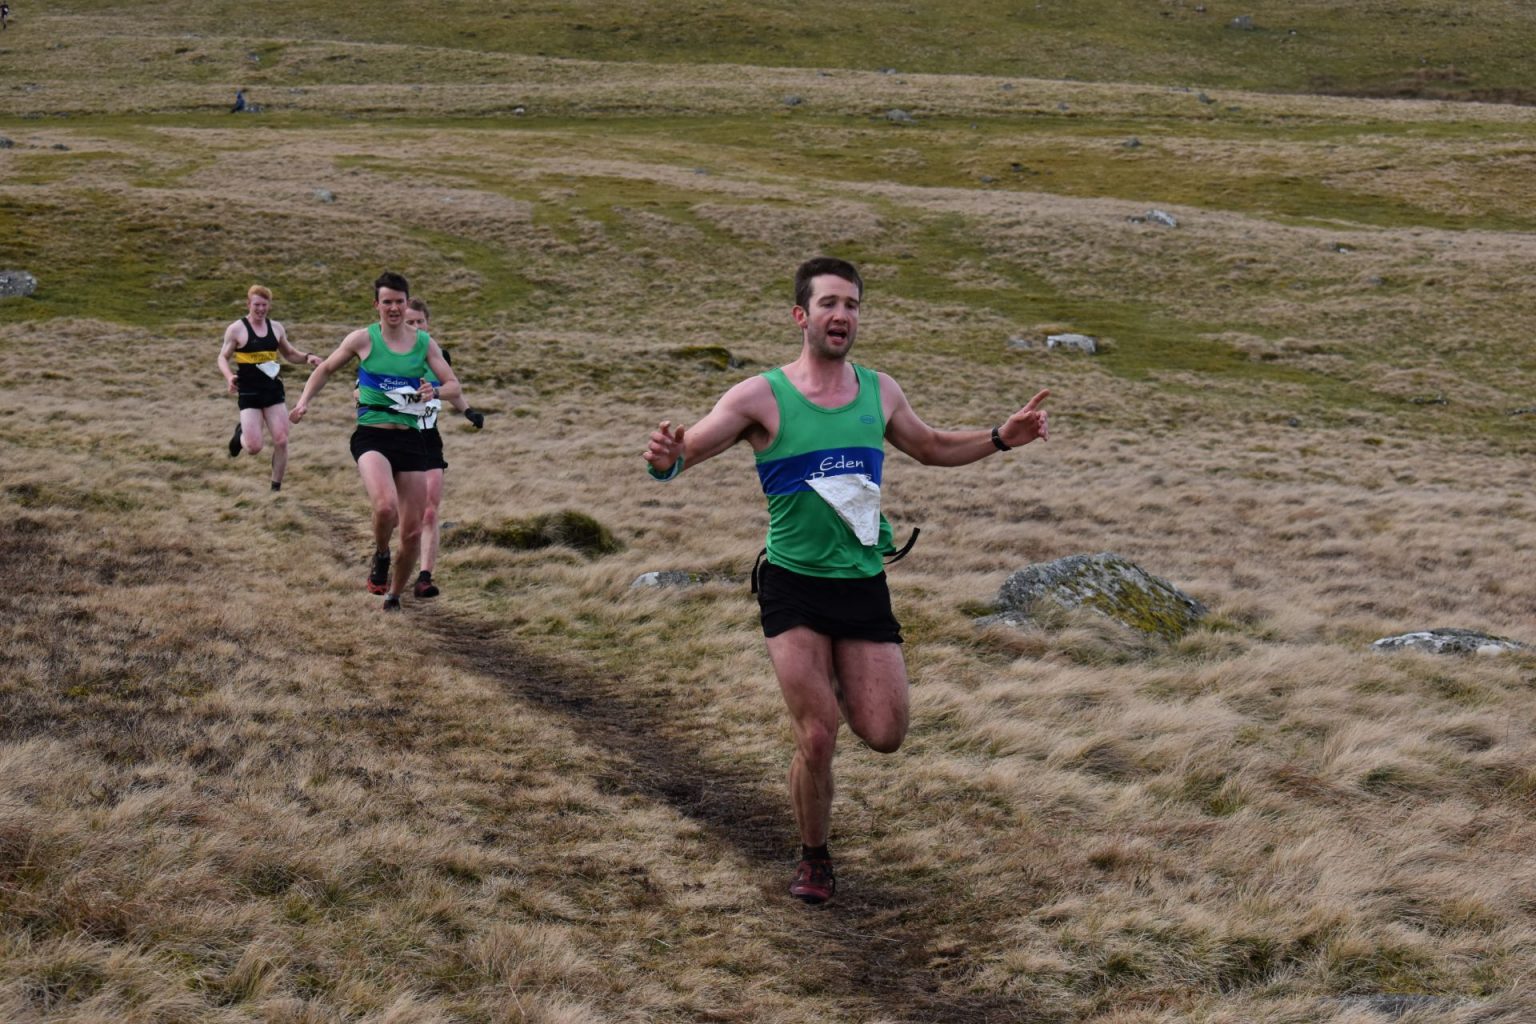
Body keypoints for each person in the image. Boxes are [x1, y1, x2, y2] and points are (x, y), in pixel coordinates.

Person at [642, 257, 1050, 904]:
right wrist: (667, 459)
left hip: (861, 585)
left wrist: (1002, 437)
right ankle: (814, 856)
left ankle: (828, 687)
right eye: (829, 303)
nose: (842, 315)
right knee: (818, 735)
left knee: (885, 733)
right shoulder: (759, 396)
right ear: (800, 316)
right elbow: (688, 450)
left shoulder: (879, 391)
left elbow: (932, 446)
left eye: (852, 305)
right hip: (793, 584)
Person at [291, 272, 463, 612]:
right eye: (387, 302)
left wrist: (434, 391)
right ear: (377, 305)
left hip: (411, 439)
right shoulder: (362, 339)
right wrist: (303, 402)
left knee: (412, 533)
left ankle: (394, 595)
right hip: (372, 435)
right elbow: (325, 369)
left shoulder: (424, 344)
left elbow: (453, 385)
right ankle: (381, 553)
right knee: (385, 507)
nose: (394, 308)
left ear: (406, 303)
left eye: (399, 301)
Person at [402, 297, 484, 599]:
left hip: (429, 439)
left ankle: (424, 577)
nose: (415, 327)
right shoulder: (390, 355)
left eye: (419, 321)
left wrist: (468, 411)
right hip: (397, 438)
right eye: (409, 322)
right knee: (399, 512)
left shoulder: (438, 355)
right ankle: (387, 559)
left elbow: (451, 387)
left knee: (429, 511)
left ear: (427, 323)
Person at [216, 284, 322, 492]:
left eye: (264, 305)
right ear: (248, 304)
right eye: (256, 305)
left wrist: (308, 357)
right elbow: (222, 357)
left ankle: (275, 489)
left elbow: (289, 353)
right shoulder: (236, 329)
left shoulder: (276, 328)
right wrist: (229, 377)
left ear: (269, 305)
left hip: (273, 391)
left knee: (281, 440)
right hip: (249, 393)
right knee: (254, 447)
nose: (261, 309)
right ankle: (240, 435)